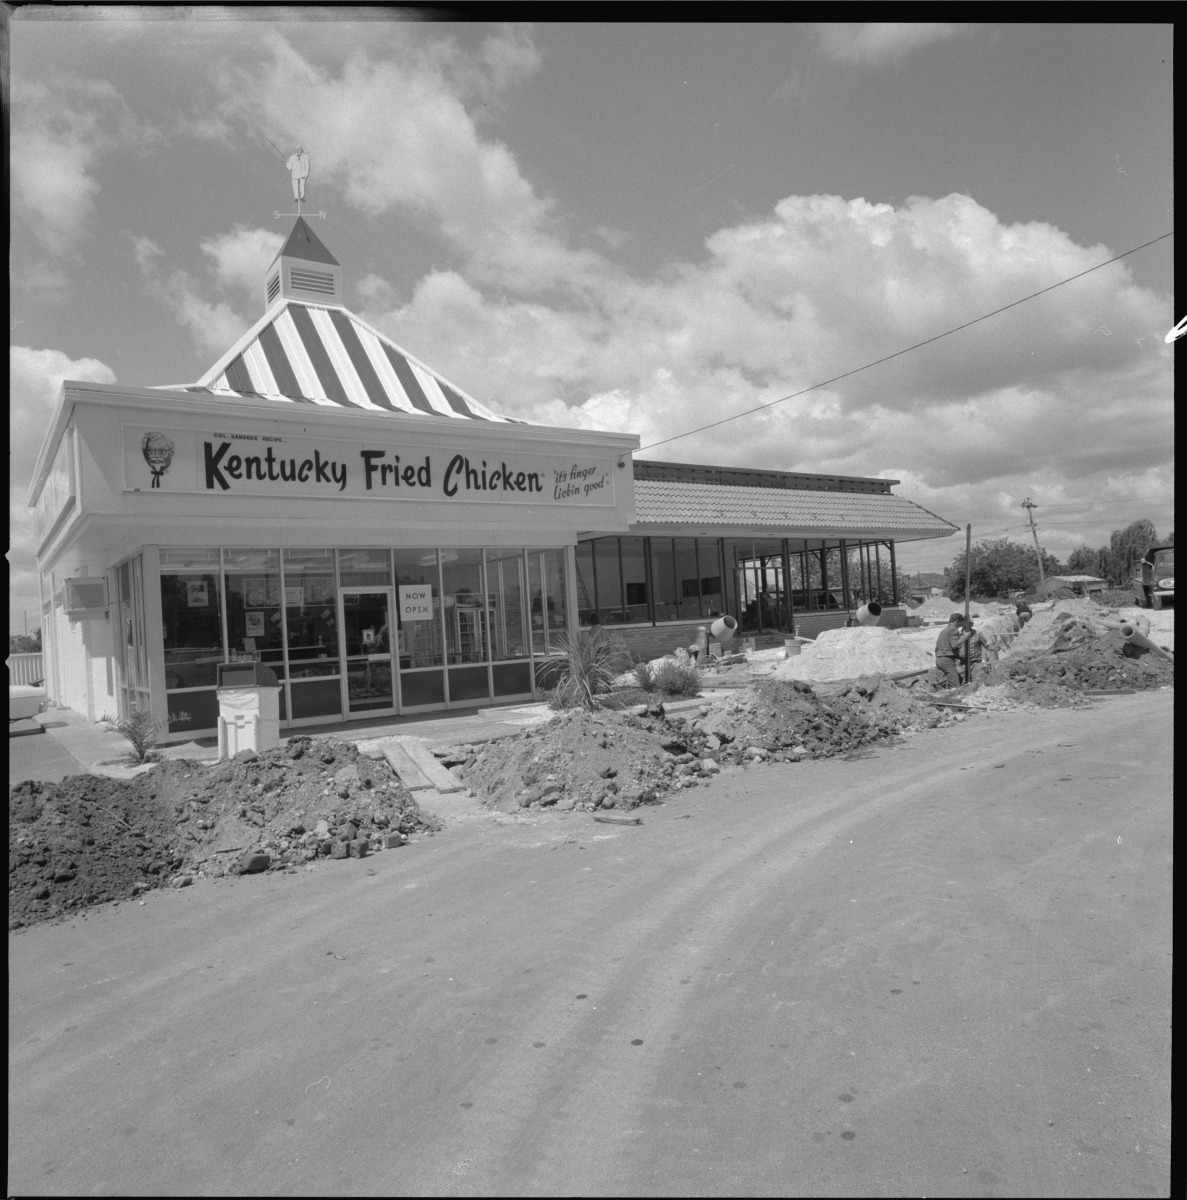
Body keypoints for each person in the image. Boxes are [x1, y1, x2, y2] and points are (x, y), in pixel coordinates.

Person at [933, 612, 969, 687]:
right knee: (955, 685)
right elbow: (954, 645)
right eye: (961, 622)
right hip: (946, 660)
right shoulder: (953, 630)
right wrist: (965, 637)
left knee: (959, 679)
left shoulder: (944, 630)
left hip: (940, 659)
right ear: (957, 621)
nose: (961, 624)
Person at [962, 616, 994, 682]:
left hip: (976, 663)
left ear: (971, 625)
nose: (965, 625)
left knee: (977, 682)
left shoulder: (977, 634)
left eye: (967, 624)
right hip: (962, 664)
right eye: (963, 623)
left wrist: (993, 648)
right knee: (962, 685)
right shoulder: (957, 635)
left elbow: (986, 645)